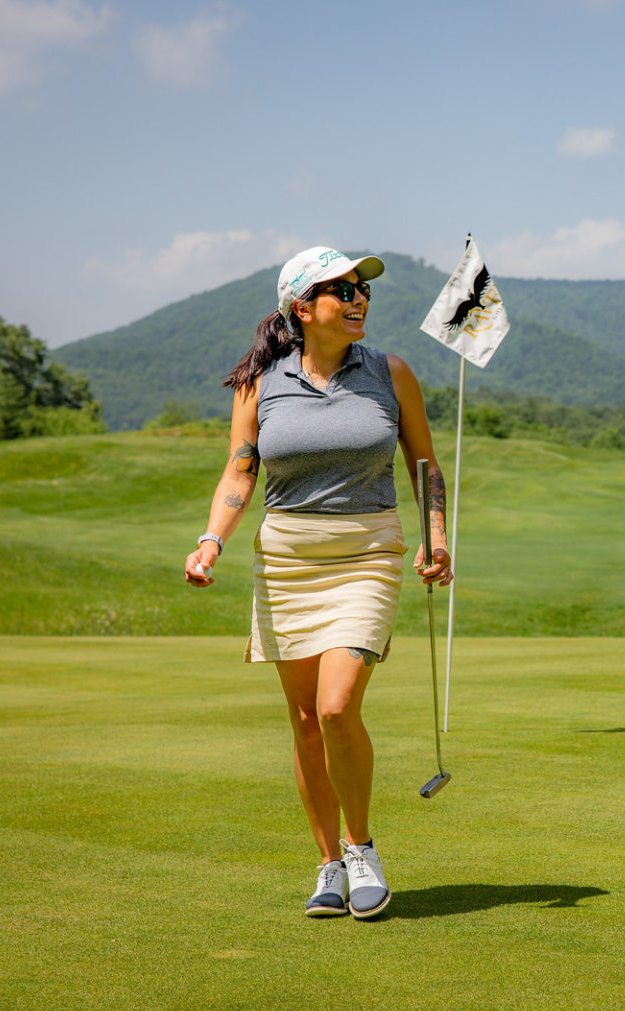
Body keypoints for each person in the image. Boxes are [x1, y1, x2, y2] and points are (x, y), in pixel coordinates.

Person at [184, 246, 452, 920]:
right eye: (340, 290)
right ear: (301, 309)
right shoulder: (260, 384)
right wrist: (212, 540)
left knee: (336, 707)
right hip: (287, 562)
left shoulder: (393, 373)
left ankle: (362, 850)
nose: (358, 299)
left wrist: (437, 535)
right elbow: (240, 472)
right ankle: (328, 864)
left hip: (368, 553)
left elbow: (425, 464)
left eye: (362, 289)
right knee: (305, 723)